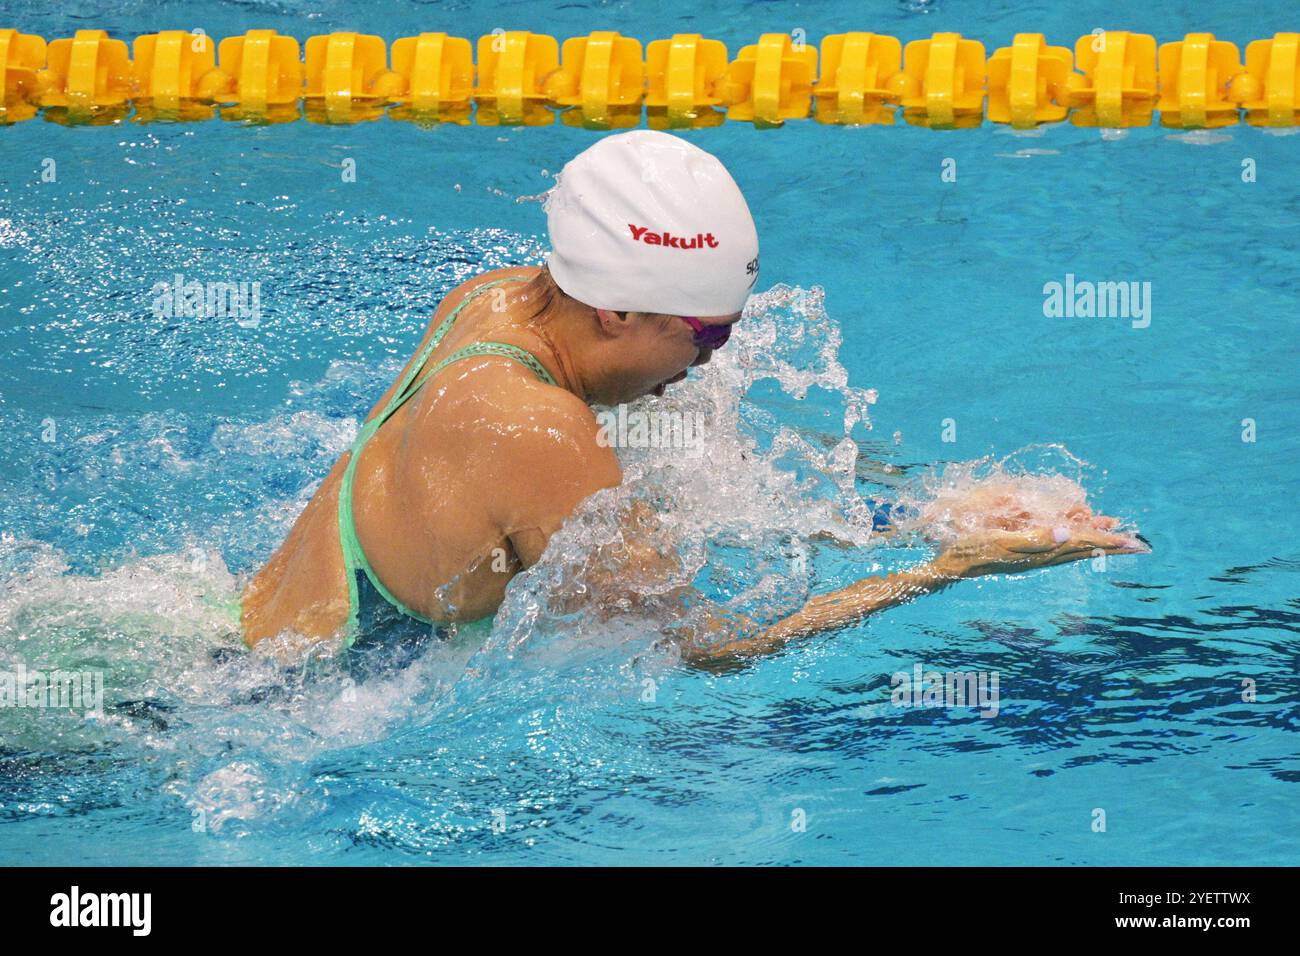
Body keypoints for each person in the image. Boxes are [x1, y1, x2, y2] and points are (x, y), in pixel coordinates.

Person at [240, 130, 1146, 665]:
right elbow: (704, 648)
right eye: (705, 336)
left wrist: (924, 506)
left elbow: (722, 455)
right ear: (619, 307)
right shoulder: (537, 432)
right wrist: (944, 571)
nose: (716, 362)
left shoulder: (500, 302)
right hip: (306, 703)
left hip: (241, 636)